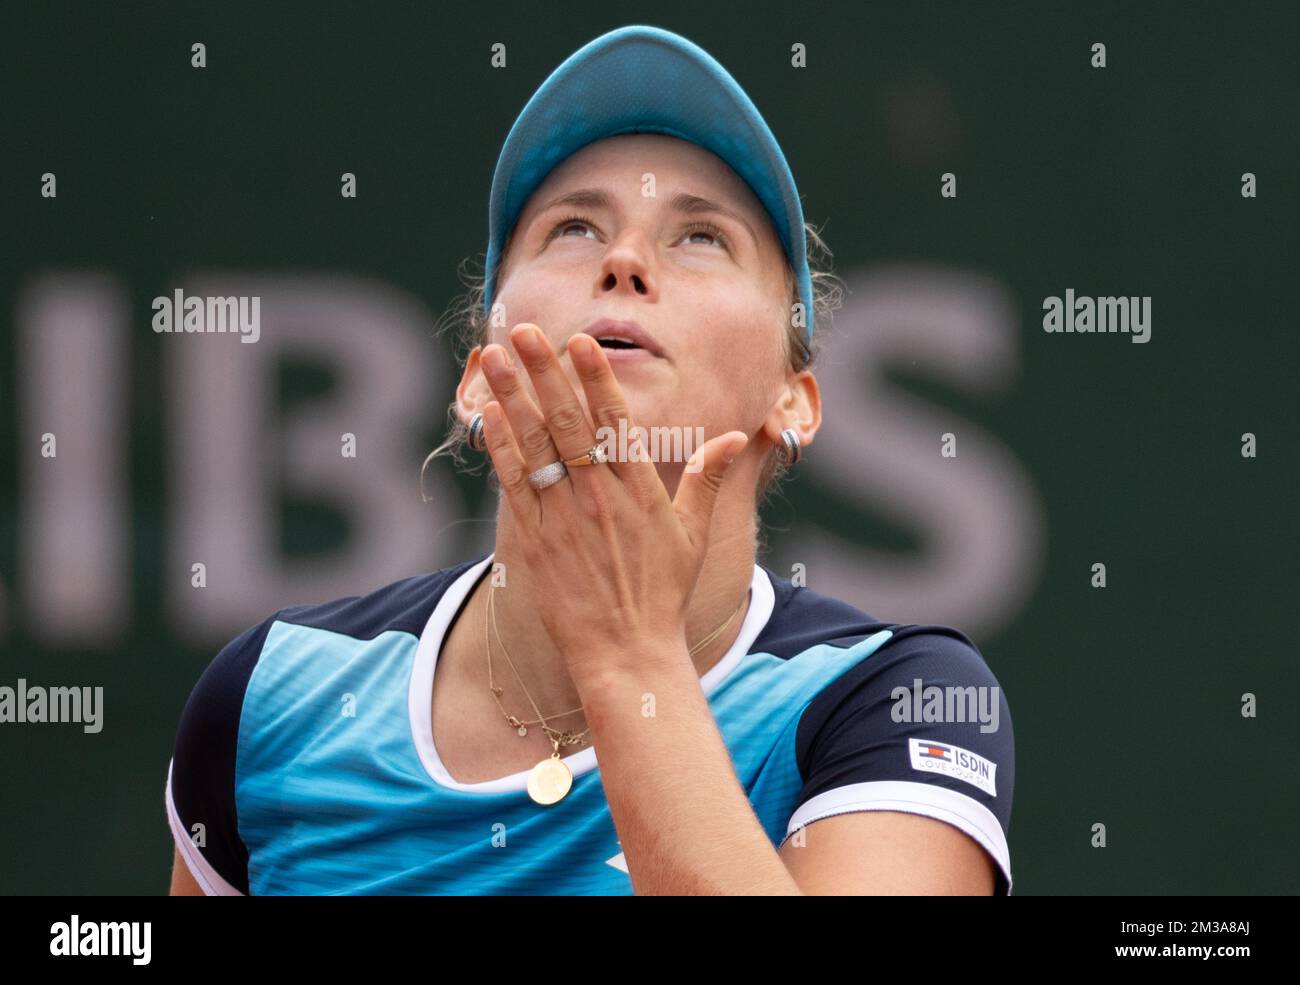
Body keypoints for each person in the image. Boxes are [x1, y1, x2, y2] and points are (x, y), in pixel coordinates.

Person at [165, 24, 1015, 896]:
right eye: (573, 227)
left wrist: (626, 654)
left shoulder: (894, 700)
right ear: (475, 382)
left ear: (792, 401)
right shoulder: (269, 696)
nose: (624, 260)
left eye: (701, 237)